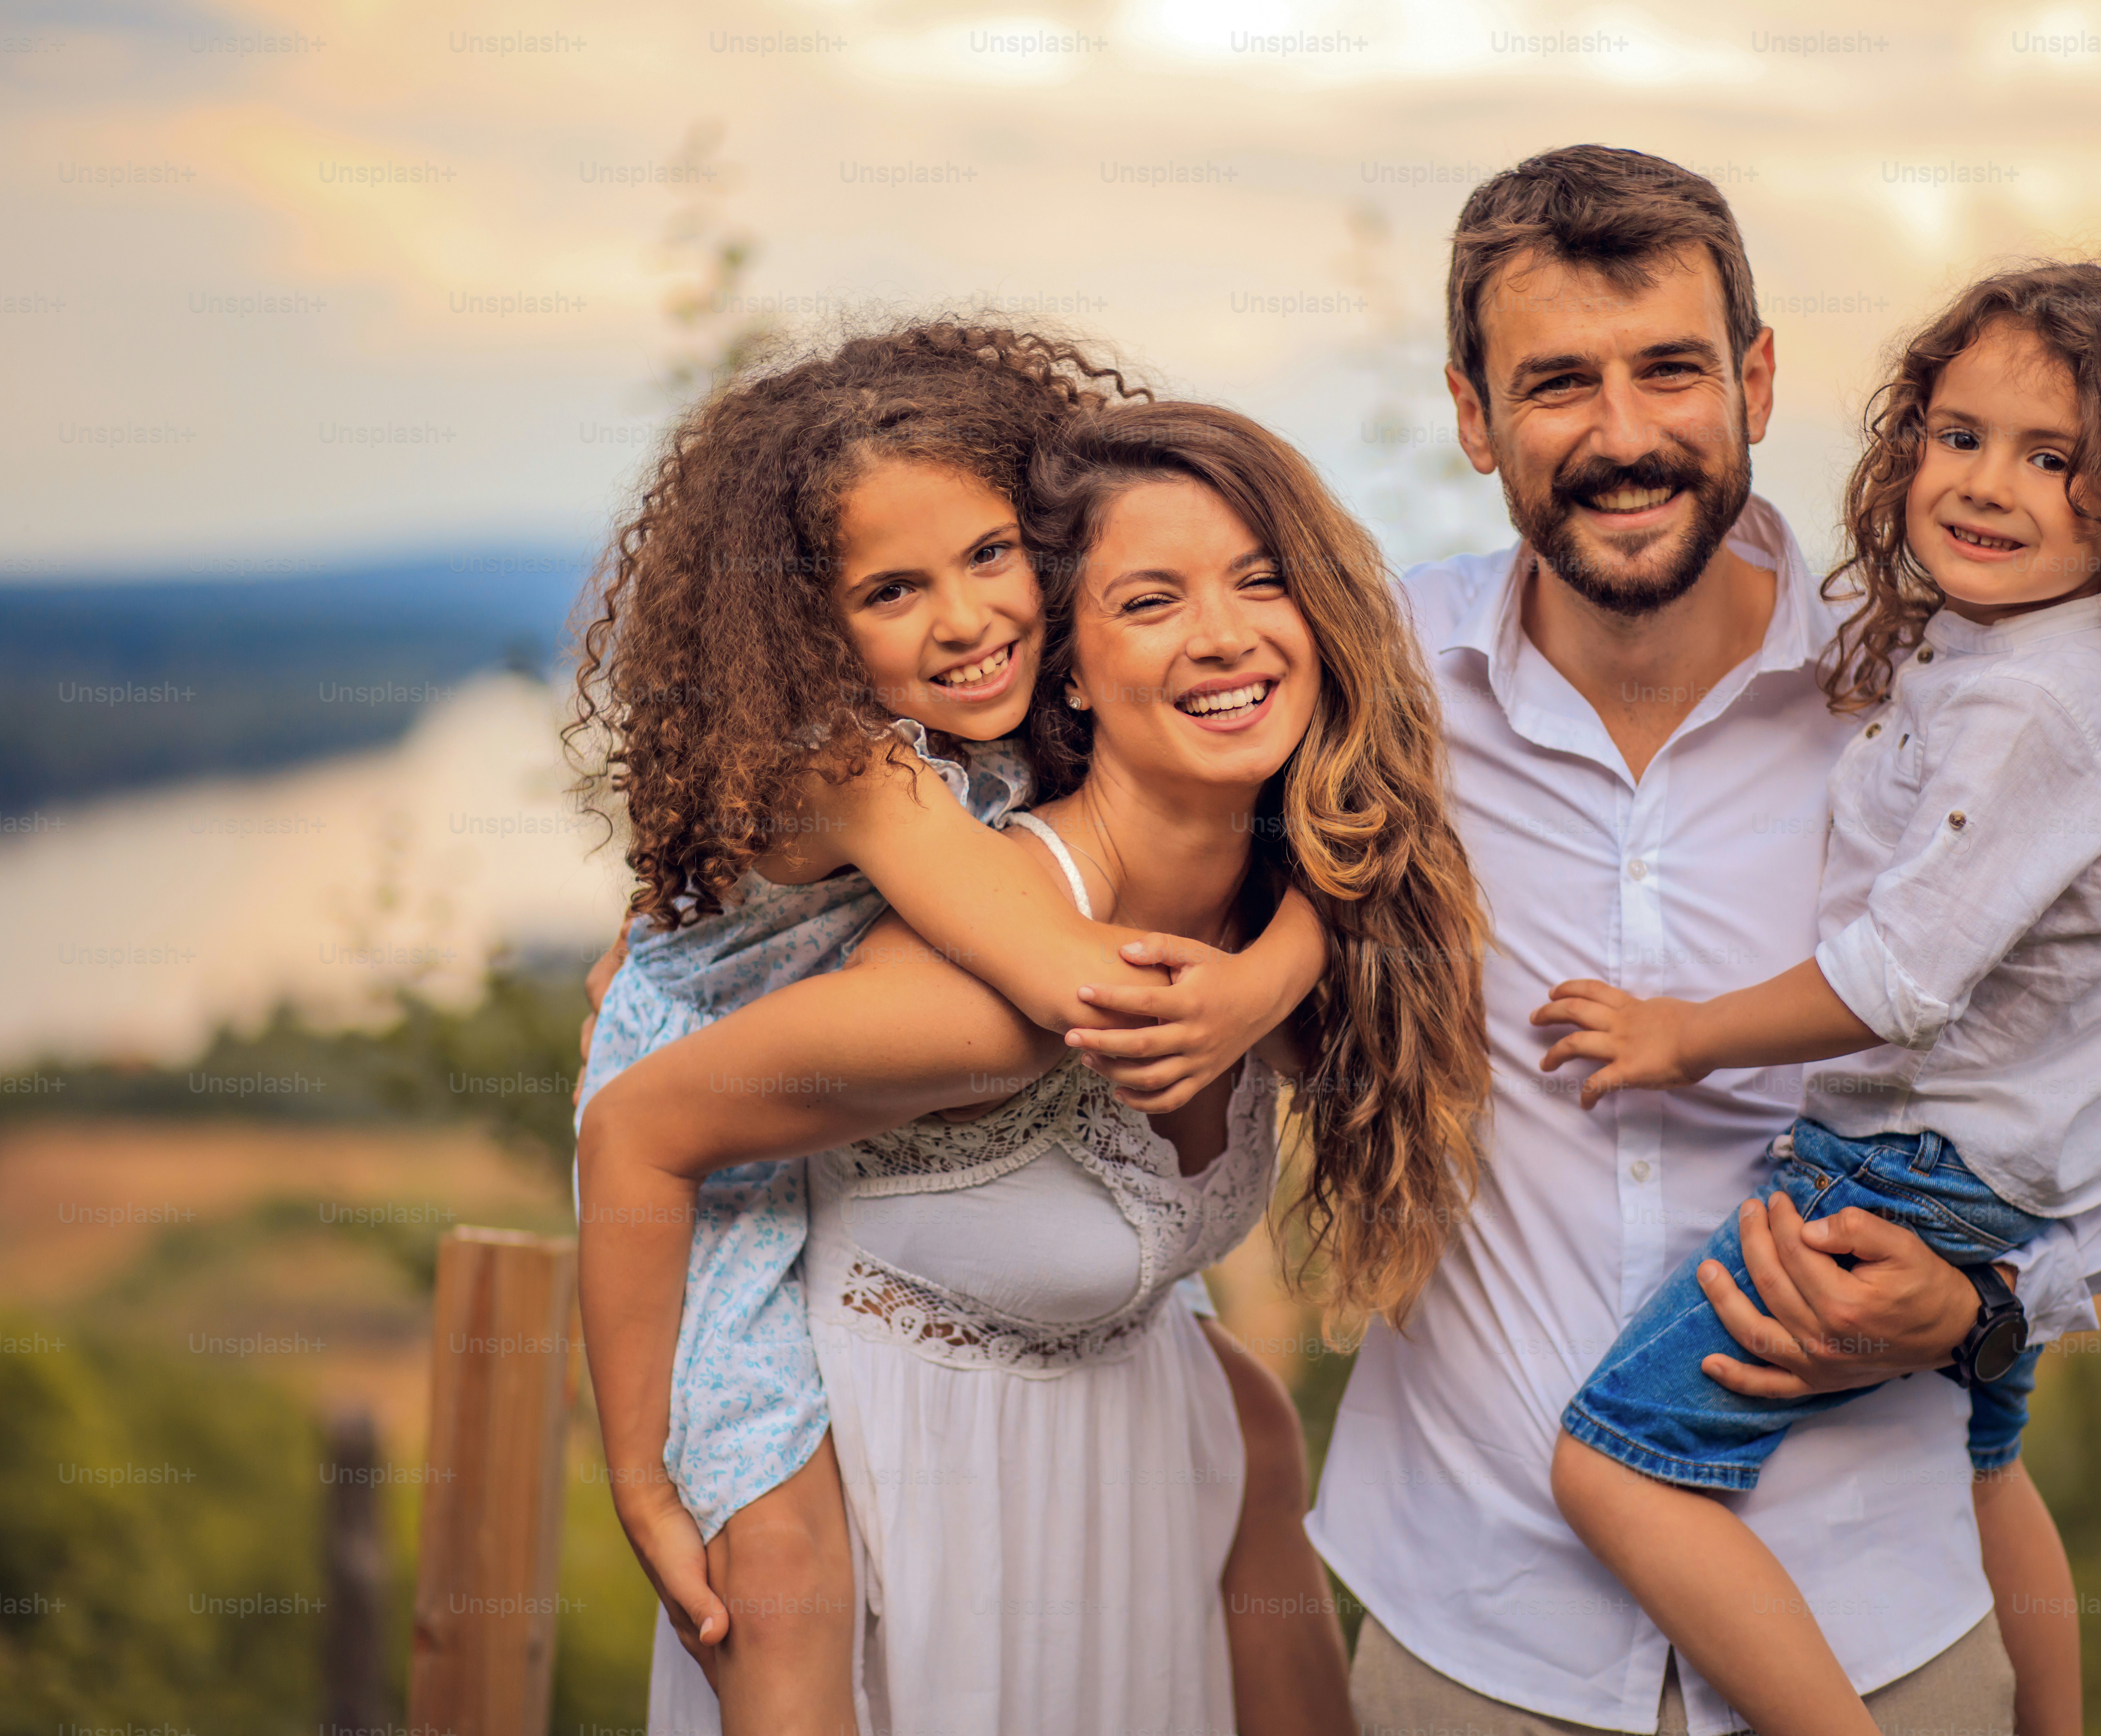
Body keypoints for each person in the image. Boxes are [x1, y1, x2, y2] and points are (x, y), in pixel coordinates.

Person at [1305, 146, 2101, 1735]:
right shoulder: (1369, 693)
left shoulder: (1940, 698)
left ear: (1757, 378)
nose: (1622, 433)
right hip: (1476, 1639)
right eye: (1555, 384)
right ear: (1470, 417)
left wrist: (1989, 1307)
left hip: (1882, 1628)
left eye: (1670, 369)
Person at [579, 399, 1491, 1735]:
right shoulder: (977, 965)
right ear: (1071, 667)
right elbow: (640, 1131)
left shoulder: (1276, 906)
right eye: (1150, 600)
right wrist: (641, 1473)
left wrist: (1273, 968)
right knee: (781, 1584)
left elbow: (1376, 866)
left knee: (1247, 1414)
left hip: (1117, 1479)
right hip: (919, 1511)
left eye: (1259, 580)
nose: (1225, 632)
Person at [1543, 258, 2101, 1736]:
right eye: (1957, 438)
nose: (1986, 485)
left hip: (1906, 1166)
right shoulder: (2012, 651)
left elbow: (1894, 979)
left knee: (1611, 1461)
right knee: (1983, 1461)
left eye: (2052, 458)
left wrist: (1678, 1035)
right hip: (2010, 1173)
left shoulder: (2029, 701)